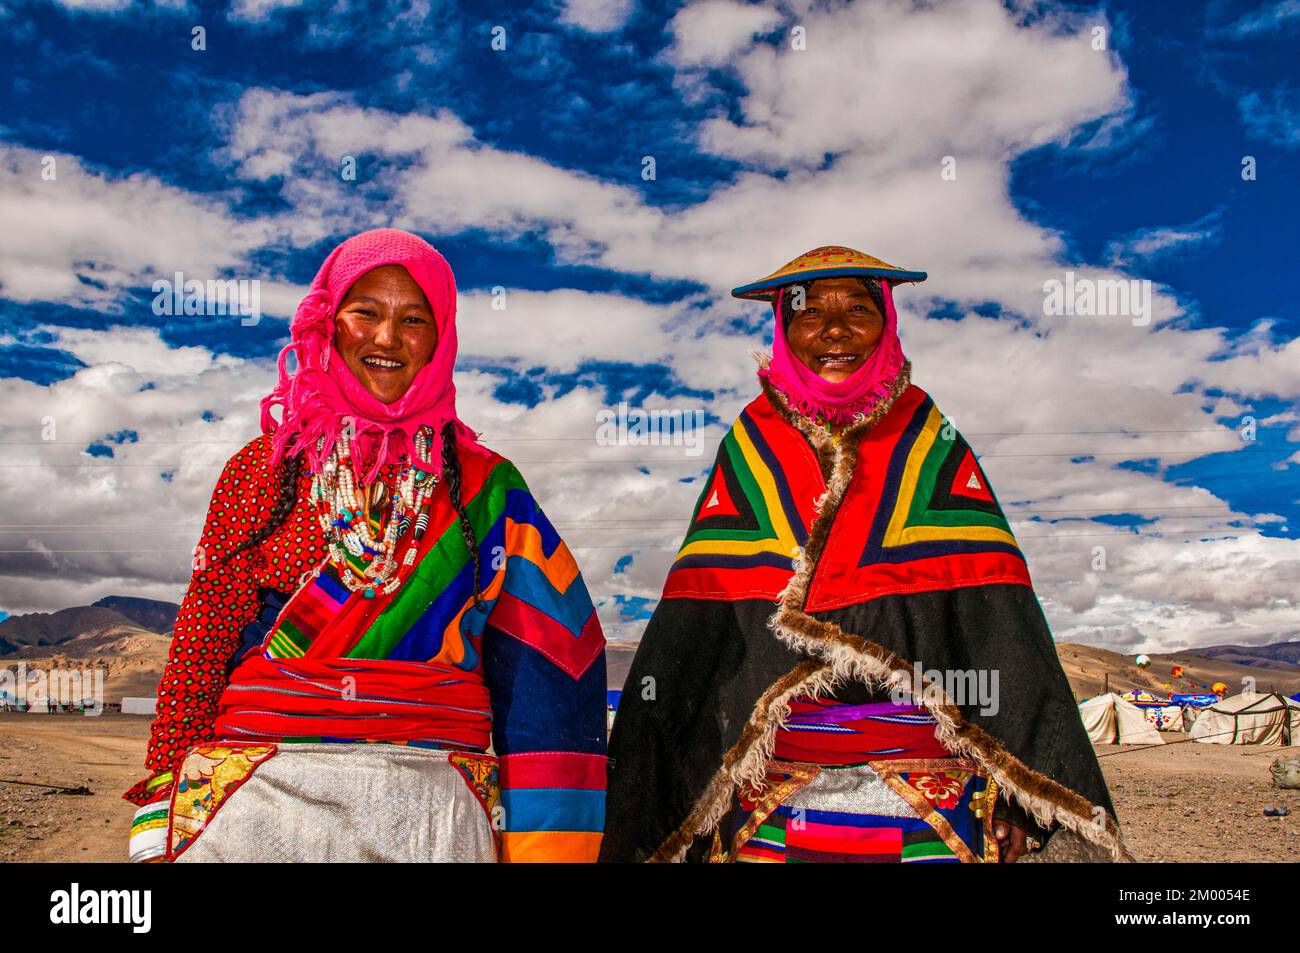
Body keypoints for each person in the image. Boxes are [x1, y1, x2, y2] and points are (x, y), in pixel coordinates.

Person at [601, 245, 1130, 863]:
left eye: (858, 308)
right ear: (783, 329)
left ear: (886, 325)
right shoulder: (749, 444)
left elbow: (993, 621)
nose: (834, 329)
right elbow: (699, 625)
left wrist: (1016, 794)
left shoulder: (930, 437)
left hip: (934, 798)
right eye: (808, 312)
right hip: (769, 796)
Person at [124, 229, 607, 863]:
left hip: (432, 813)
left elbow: (547, 662)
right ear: (328, 324)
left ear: (441, 339)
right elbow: (203, 635)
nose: (387, 338)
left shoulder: (486, 489)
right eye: (366, 313)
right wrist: (162, 795)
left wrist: (546, 840)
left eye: (414, 319)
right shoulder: (263, 470)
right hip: (259, 798)